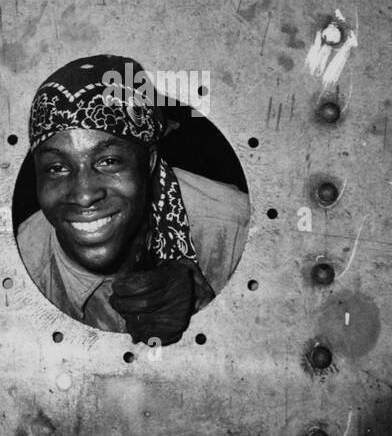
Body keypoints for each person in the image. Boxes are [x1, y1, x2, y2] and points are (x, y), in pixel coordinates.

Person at [16, 55, 250, 345]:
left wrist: (205, 311)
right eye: (57, 167)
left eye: (108, 161)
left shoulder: (235, 227)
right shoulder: (25, 258)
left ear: (149, 162)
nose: (85, 194)